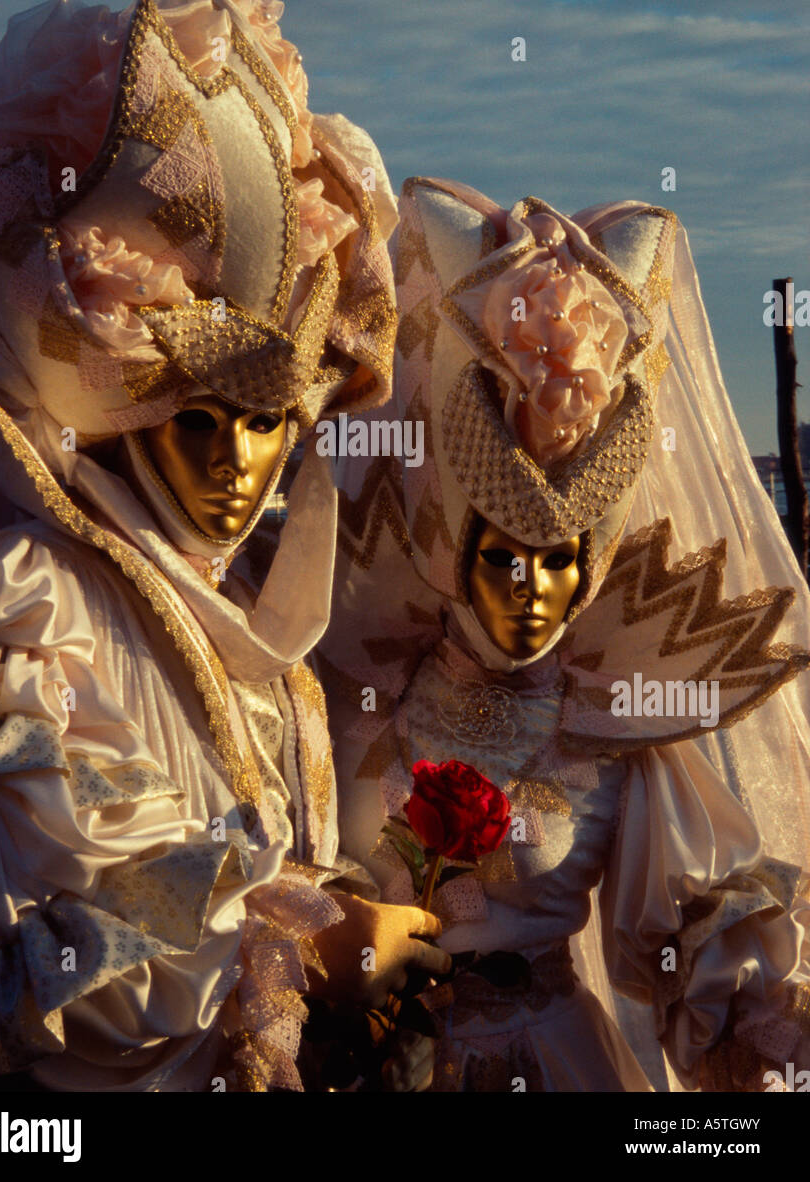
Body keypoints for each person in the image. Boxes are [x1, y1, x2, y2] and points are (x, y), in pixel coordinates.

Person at [0, 0, 447, 1093]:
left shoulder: (263, 625)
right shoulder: (28, 610)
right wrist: (309, 948)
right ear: (125, 414)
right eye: (196, 417)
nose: (238, 464)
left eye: (273, 424)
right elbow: (38, 984)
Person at [316, 177, 810, 1091]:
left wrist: (762, 1031)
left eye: (561, 560)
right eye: (505, 556)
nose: (534, 591)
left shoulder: (617, 729)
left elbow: (691, 953)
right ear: (450, 545)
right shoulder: (349, 678)